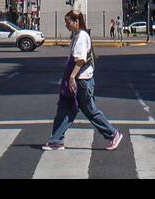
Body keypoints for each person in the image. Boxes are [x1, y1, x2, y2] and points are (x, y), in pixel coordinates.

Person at [43, 10, 122, 151]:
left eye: (68, 23)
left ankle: (113, 134)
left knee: (88, 110)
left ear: (76, 22)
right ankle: (56, 140)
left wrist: (72, 77)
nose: (66, 26)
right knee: (67, 108)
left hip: (82, 80)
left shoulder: (81, 36)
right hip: (81, 80)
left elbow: (80, 60)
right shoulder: (78, 35)